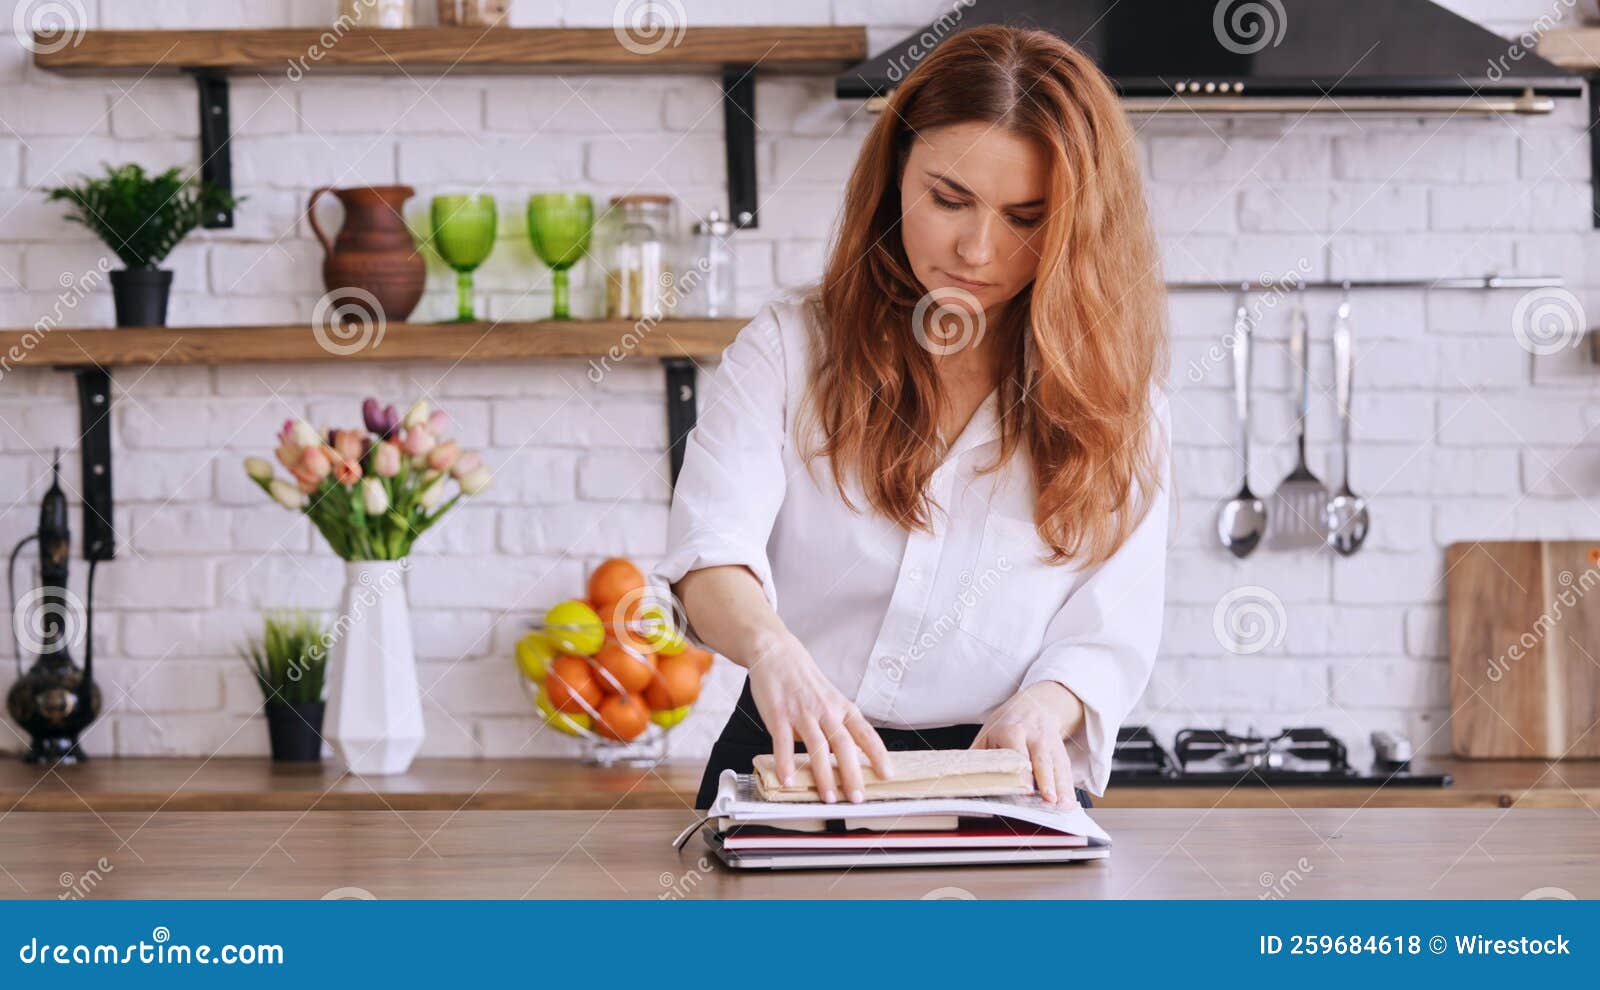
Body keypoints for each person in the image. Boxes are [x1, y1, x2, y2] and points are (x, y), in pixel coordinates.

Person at [652, 24, 1173, 811]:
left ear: (1077, 225)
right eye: (948, 198)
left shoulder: (1121, 403)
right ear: (896, 174)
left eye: (1026, 218)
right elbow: (709, 549)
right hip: (795, 758)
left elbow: (1111, 626)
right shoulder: (792, 349)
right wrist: (772, 649)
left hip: (1001, 778)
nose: (976, 249)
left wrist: (1045, 704)